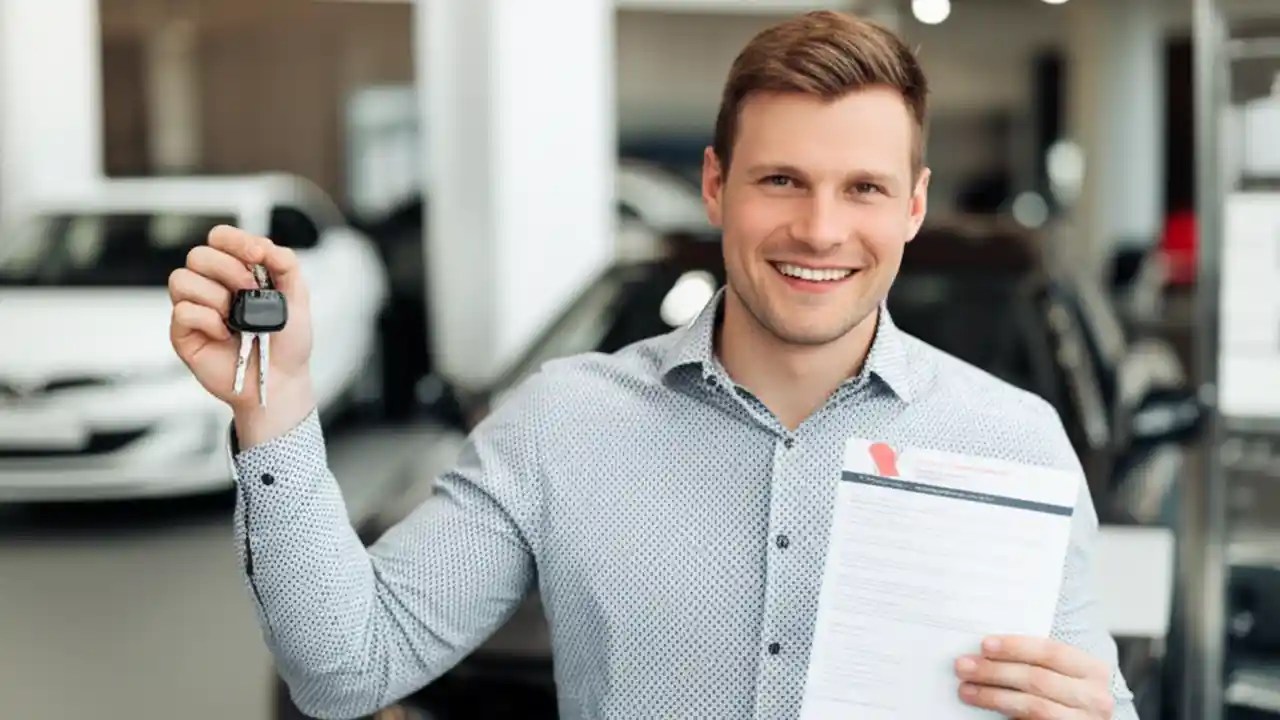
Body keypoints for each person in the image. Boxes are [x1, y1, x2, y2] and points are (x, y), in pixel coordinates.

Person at [168, 11, 1134, 720]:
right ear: (717, 186)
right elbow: (345, 669)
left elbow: (1095, 700)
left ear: (914, 206)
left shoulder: (1013, 442)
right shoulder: (565, 423)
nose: (821, 228)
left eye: (865, 188)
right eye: (782, 180)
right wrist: (278, 401)